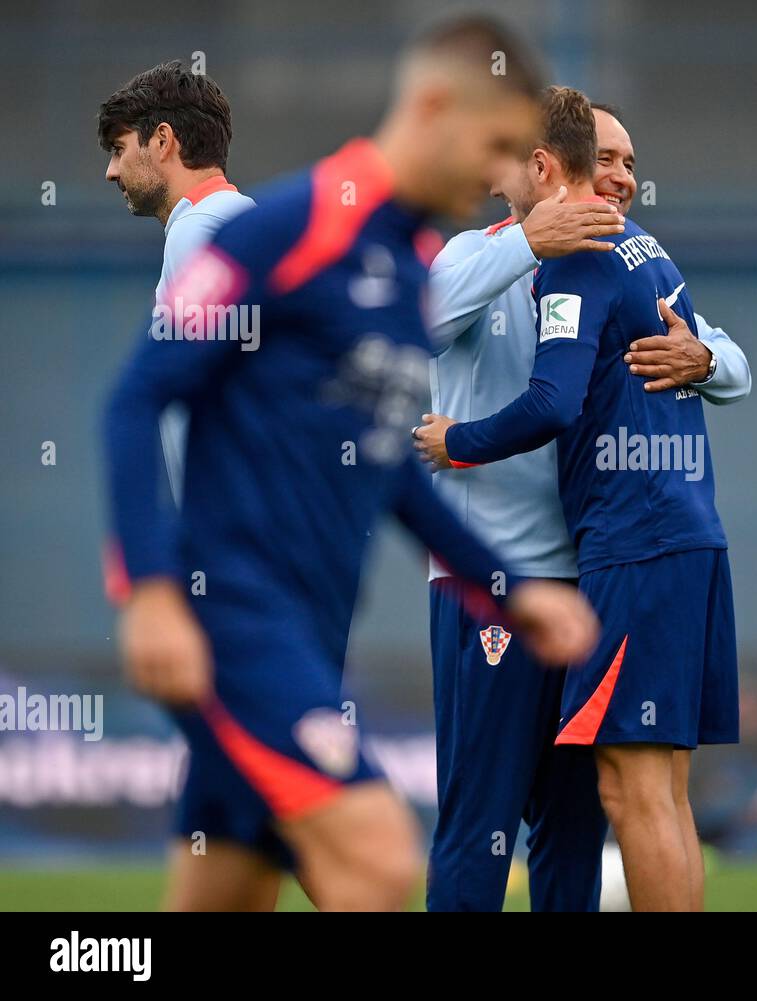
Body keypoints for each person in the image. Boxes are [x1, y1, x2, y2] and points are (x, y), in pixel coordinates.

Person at [102, 17, 597, 912]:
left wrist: (509, 588)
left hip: (310, 620)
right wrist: (149, 590)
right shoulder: (283, 227)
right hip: (236, 618)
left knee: (226, 891)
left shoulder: (413, 273)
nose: (497, 173)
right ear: (437, 104)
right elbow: (136, 400)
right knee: (374, 860)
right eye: (494, 144)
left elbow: (390, 466)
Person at [417, 93, 751, 912]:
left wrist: (702, 356)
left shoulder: (621, 259)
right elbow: (420, 323)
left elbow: (733, 360)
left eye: (631, 162)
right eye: (604, 157)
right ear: (538, 166)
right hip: (491, 587)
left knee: (576, 823)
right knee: (478, 819)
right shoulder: (468, 256)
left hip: (593, 583)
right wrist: (534, 240)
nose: (622, 176)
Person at [98, 60, 255, 502]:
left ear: (163, 141)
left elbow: (232, 390)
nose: (111, 171)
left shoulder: (201, 228)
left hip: (239, 535)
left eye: (119, 147)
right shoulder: (232, 221)